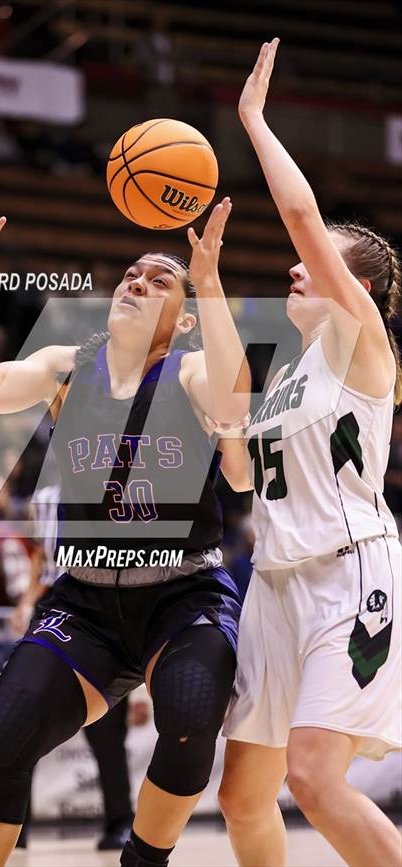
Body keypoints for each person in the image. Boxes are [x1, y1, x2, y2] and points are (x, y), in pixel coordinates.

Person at [0, 183, 251, 867]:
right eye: (131, 273)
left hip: (184, 595)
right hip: (85, 600)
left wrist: (209, 281)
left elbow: (235, 403)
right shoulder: (68, 366)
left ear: (186, 316)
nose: (138, 281)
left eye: (159, 278)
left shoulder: (195, 369)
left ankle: (142, 860)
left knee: (189, 715)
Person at [217, 40, 402, 867]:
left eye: (318, 260)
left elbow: (298, 217)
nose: (297, 264)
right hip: (274, 582)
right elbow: (237, 474)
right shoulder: (286, 376)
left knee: (317, 780)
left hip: (347, 574)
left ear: (351, 285)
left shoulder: (365, 346)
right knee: (241, 795)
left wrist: (254, 121)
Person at [12, 484, 134, 851]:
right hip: (53, 602)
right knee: (24, 720)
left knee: (108, 734)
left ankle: (121, 823)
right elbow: (38, 555)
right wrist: (26, 598)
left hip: (98, 606)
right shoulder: (43, 496)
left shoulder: (113, 486)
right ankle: (15, 825)